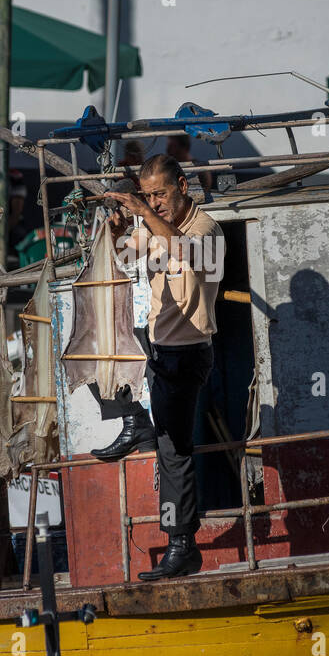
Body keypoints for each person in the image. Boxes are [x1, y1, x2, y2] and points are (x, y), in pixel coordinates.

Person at [102, 154, 225, 581]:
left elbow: (186, 253)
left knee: (175, 453)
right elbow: (122, 256)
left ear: (183, 186)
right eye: (148, 195)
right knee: (100, 356)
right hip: (157, 350)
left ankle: (181, 545)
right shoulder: (151, 227)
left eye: (160, 194)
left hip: (188, 355)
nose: (154, 203)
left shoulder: (208, 229)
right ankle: (138, 423)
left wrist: (142, 216)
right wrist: (117, 230)